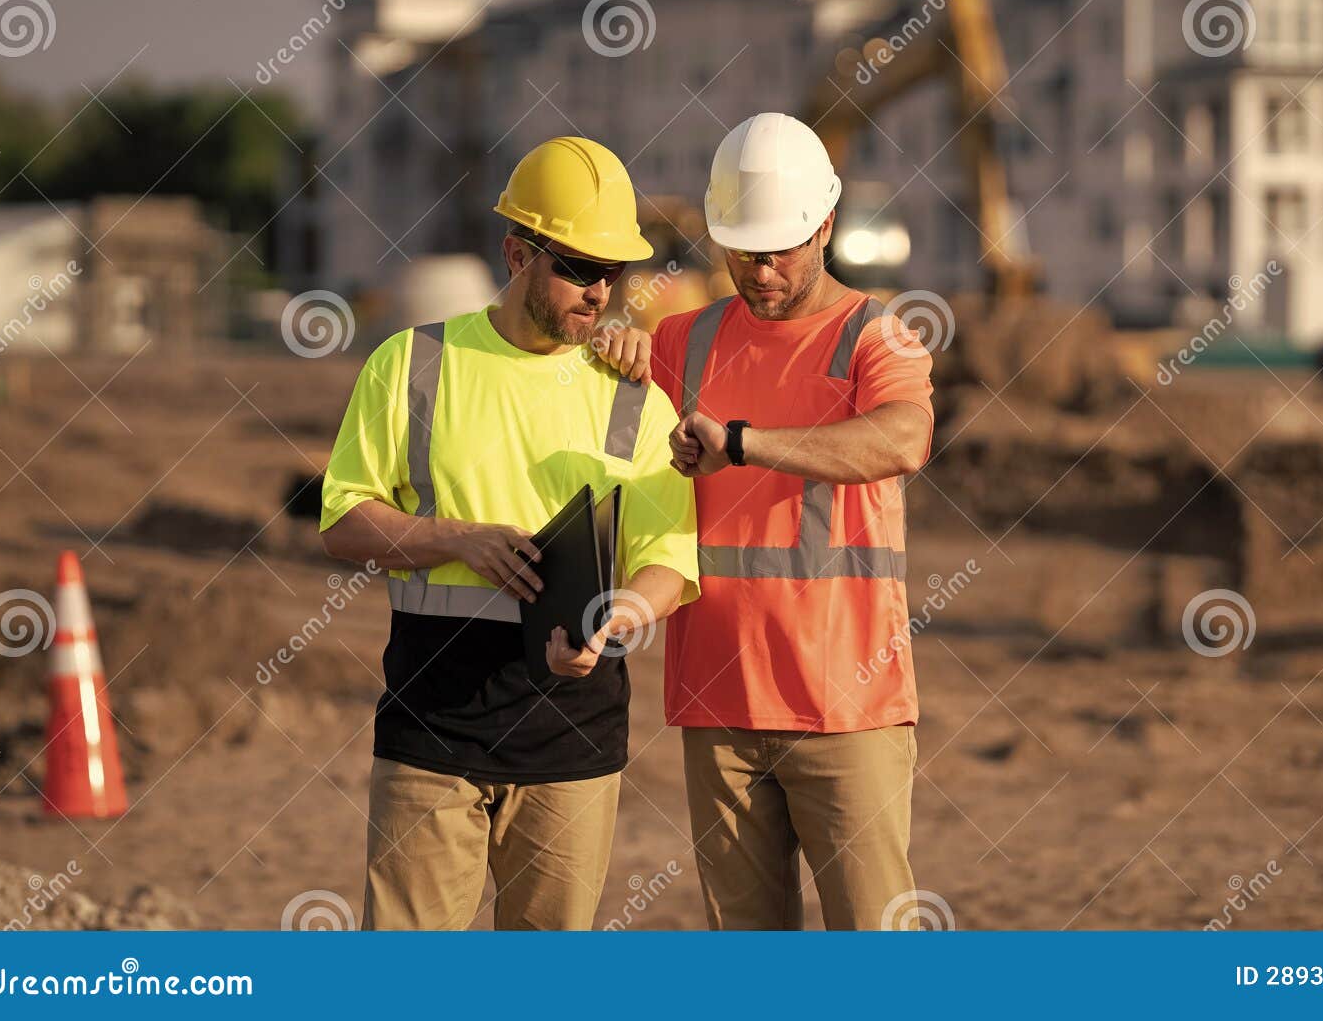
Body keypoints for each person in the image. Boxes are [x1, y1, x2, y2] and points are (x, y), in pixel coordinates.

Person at [319, 135, 699, 930]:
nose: (600, 293)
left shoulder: (635, 397)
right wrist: (455, 539)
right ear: (517, 252)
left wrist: (617, 620)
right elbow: (345, 521)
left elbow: (668, 558)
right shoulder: (412, 364)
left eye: (613, 272)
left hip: (572, 738)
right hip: (431, 729)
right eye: (577, 267)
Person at [594, 112, 934, 929]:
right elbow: (603, 460)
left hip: (846, 707)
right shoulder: (683, 340)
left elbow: (903, 437)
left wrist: (743, 444)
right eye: (743, 247)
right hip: (719, 708)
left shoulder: (874, 337)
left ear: (824, 224)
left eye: (780, 245)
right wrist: (609, 356)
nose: (761, 267)